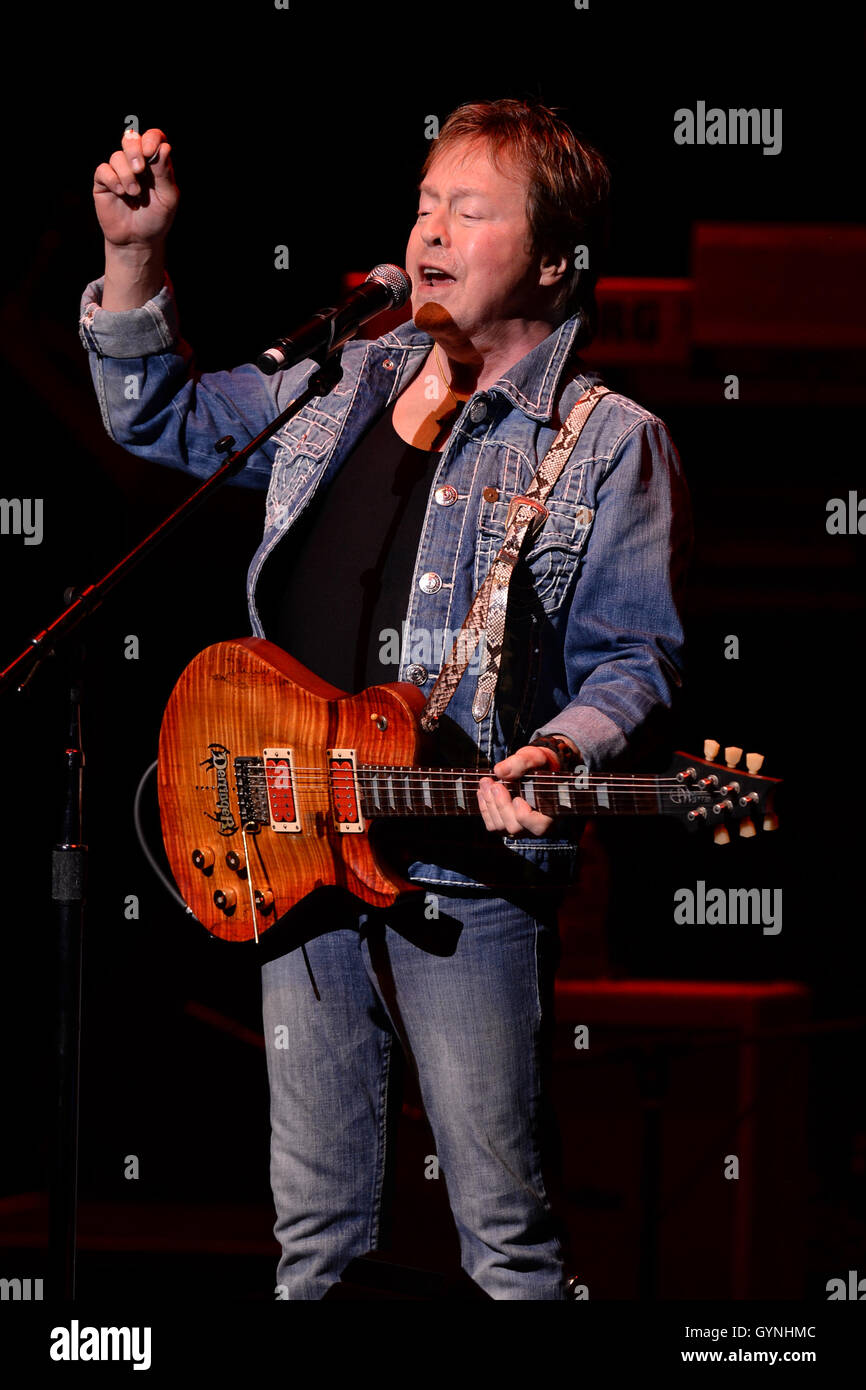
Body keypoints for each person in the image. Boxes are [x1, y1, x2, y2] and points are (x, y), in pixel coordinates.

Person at [80, 99, 691, 1300]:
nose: (431, 231)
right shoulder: (345, 379)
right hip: (294, 844)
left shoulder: (606, 441)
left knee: (505, 1238)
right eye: (423, 205)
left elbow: (636, 656)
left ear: (557, 259)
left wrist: (562, 753)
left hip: (462, 875)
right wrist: (134, 255)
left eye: (471, 209)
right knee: (313, 1243)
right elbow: (162, 419)